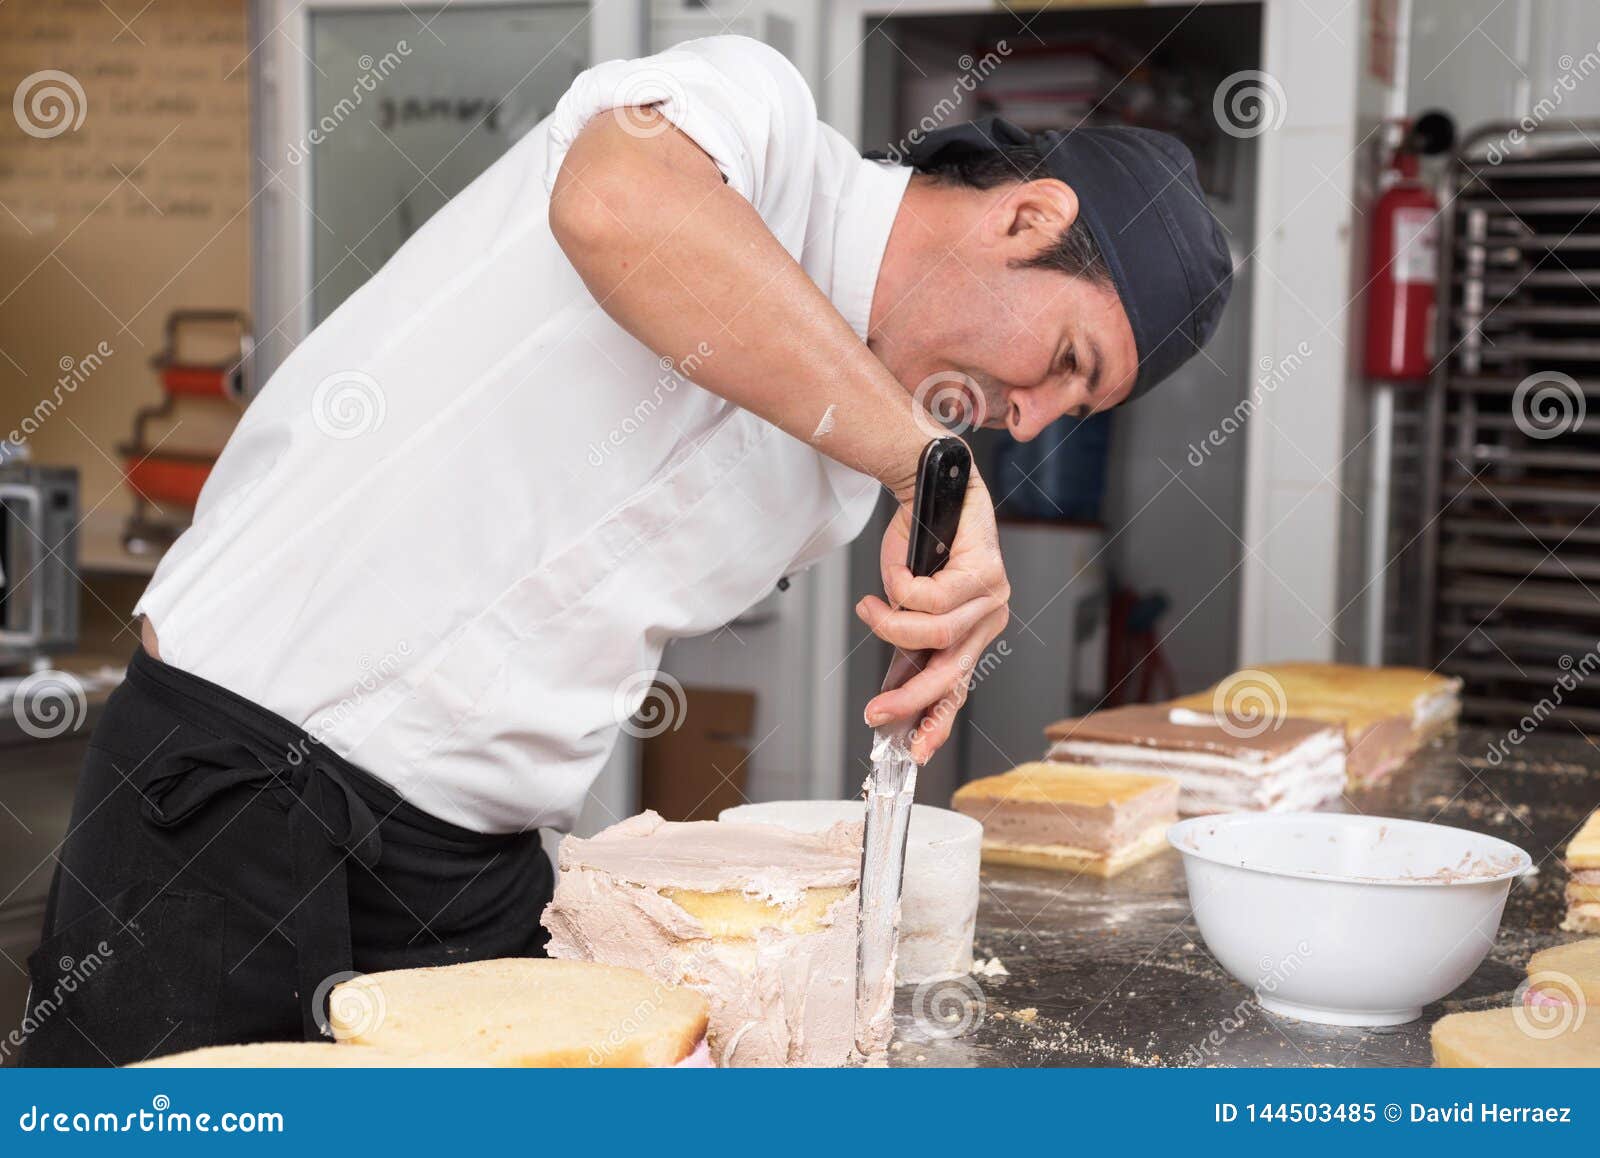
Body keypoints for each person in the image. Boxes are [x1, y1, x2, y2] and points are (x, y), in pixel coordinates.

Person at [20, 36, 1230, 1065]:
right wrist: (927, 461)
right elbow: (616, 209)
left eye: (1074, 410)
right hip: (226, 793)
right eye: (1069, 364)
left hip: (470, 876)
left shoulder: (840, 489)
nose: (1031, 420)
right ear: (1029, 216)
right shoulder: (751, 124)